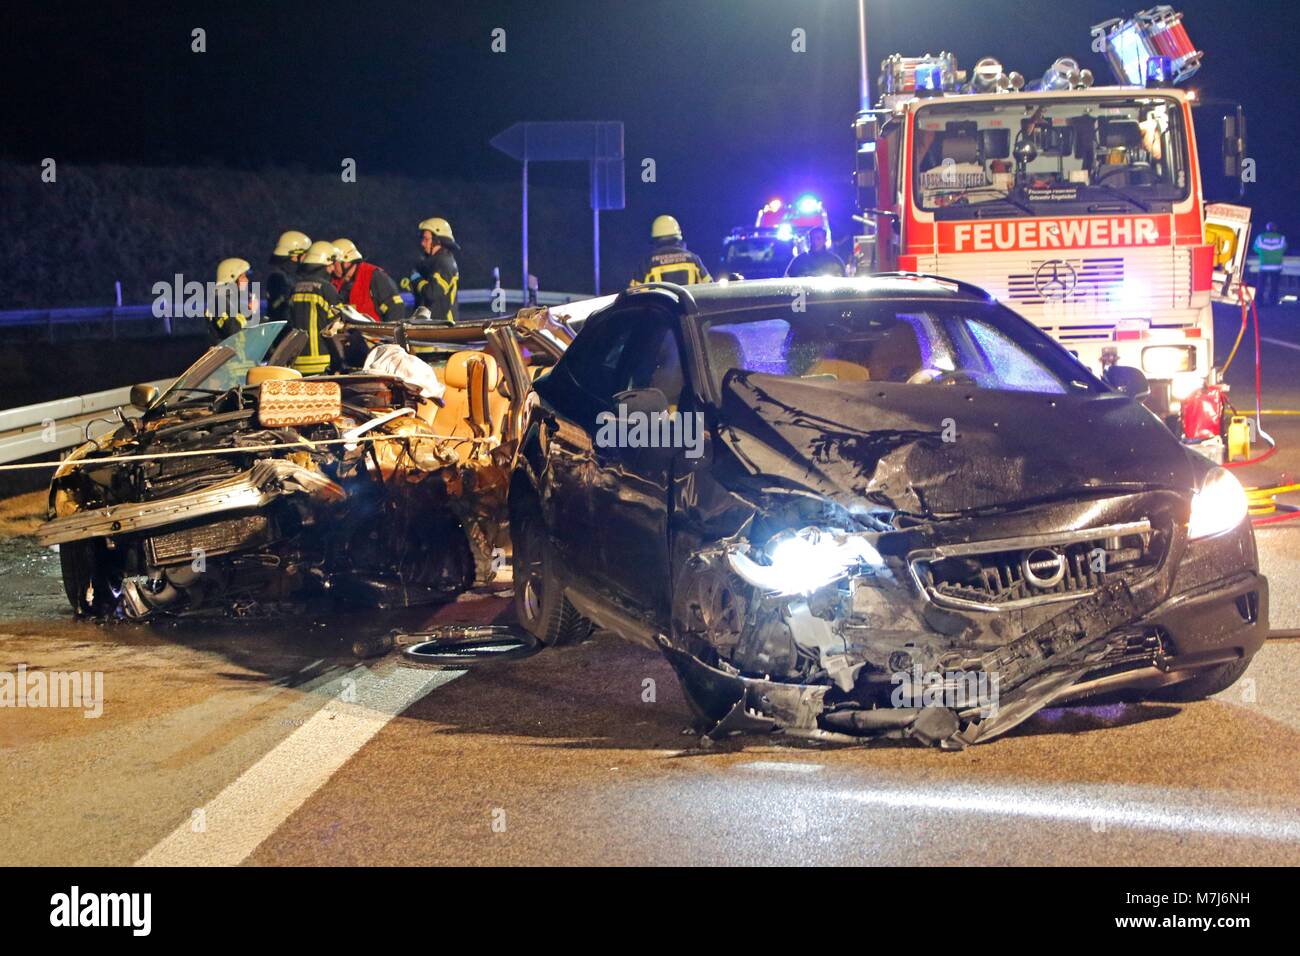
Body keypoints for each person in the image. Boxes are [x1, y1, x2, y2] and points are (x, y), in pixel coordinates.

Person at [288, 240, 343, 375]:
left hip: (297, 363)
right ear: (325, 263)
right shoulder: (326, 289)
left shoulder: (295, 288)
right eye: (330, 265)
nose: (332, 269)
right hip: (323, 363)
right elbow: (338, 325)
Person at [332, 238, 406, 322]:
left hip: (373, 333)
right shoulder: (334, 281)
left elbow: (395, 307)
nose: (331, 267)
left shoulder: (374, 276)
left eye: (334, 263)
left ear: (346, 262)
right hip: (345, 333)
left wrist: (389, 333)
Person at [633, 215, 711, 285]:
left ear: (655, 240)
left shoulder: (647, 263)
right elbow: (709, 286)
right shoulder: (693, 259)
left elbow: (634, 292)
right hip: (689, 301)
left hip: (658, 301)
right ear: (678, 236)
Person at [412, 217, 460, 324]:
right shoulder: (435, 262)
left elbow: (431, 293)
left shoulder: (444, 263)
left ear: (437, 240)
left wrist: (416, 279)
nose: (422, 243)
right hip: (432, 324)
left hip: (443, 327)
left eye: (426, 239)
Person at [208, 258, 259, 343]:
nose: (246, 280)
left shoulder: (233, 300)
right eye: (243, 276)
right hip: (227, 354)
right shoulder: (218, 301)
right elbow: (232, 331)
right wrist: (249, 310)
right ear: (231, 278)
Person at [265, 230, 311, 321]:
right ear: (295, 255)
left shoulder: (286, 274)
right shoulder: (279, 278)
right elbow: (281, 310)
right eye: (305, 254)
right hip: (287, 330)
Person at [1253, 222, 1288, 307]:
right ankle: (1272, 301)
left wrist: (1264, 253)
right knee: (1274, 286)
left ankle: (1259, 301)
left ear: (1267, 228)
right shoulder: (1281, 238)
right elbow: (1284, 248)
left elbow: (1255, 248)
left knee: (1261, 285)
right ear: (1275, 228)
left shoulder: (1260, 237)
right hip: (1276, 266)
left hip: (1264, 265)